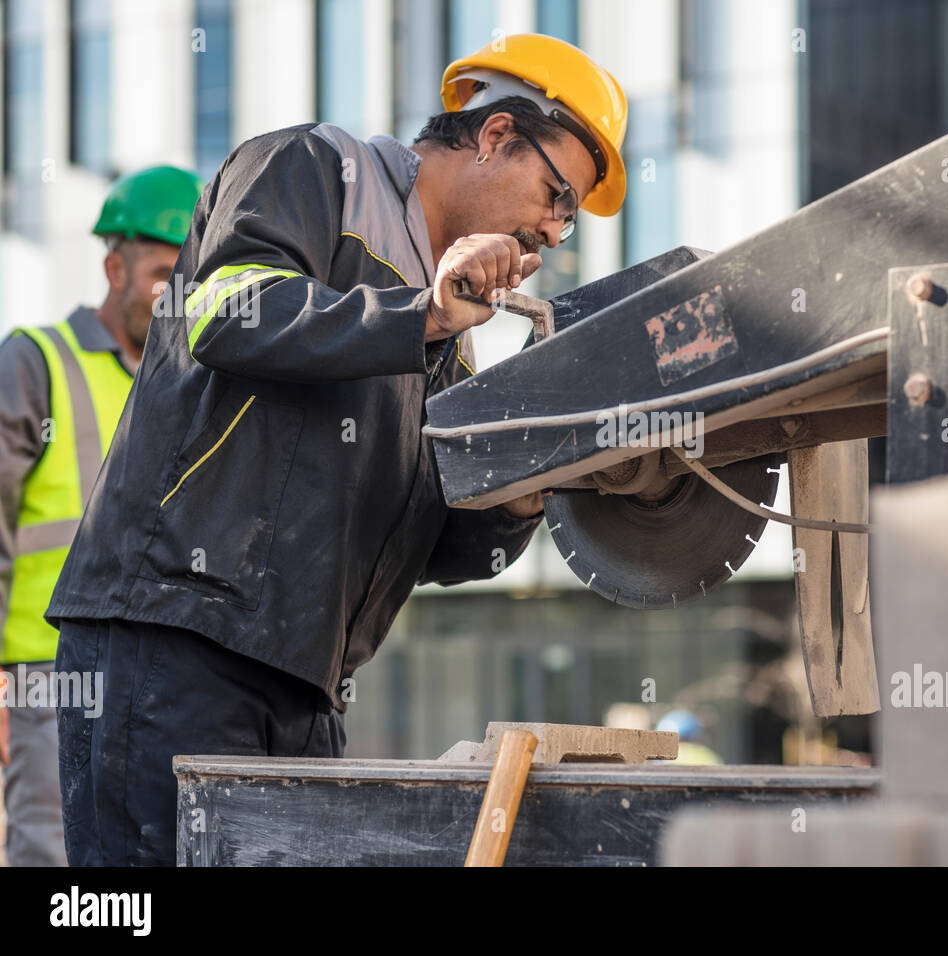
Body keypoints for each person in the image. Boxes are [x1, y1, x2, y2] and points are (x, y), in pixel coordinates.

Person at [46, 33, 628, 866]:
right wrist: (418, 316)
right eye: (556, 193)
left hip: (305, 685)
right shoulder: (316, 170)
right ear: (497, 133)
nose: (552, 229)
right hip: (173, 639)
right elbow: (227, 318)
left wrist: (530, 484)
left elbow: (437, 543)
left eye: (567, 219)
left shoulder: (450, 340)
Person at [0, 166, 204, 865]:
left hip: (160, 680)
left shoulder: (194, 386)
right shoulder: (36, 362)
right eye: (158, 270)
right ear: (114, 266)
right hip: (44, 674)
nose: (172, 291)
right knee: (52, 858)